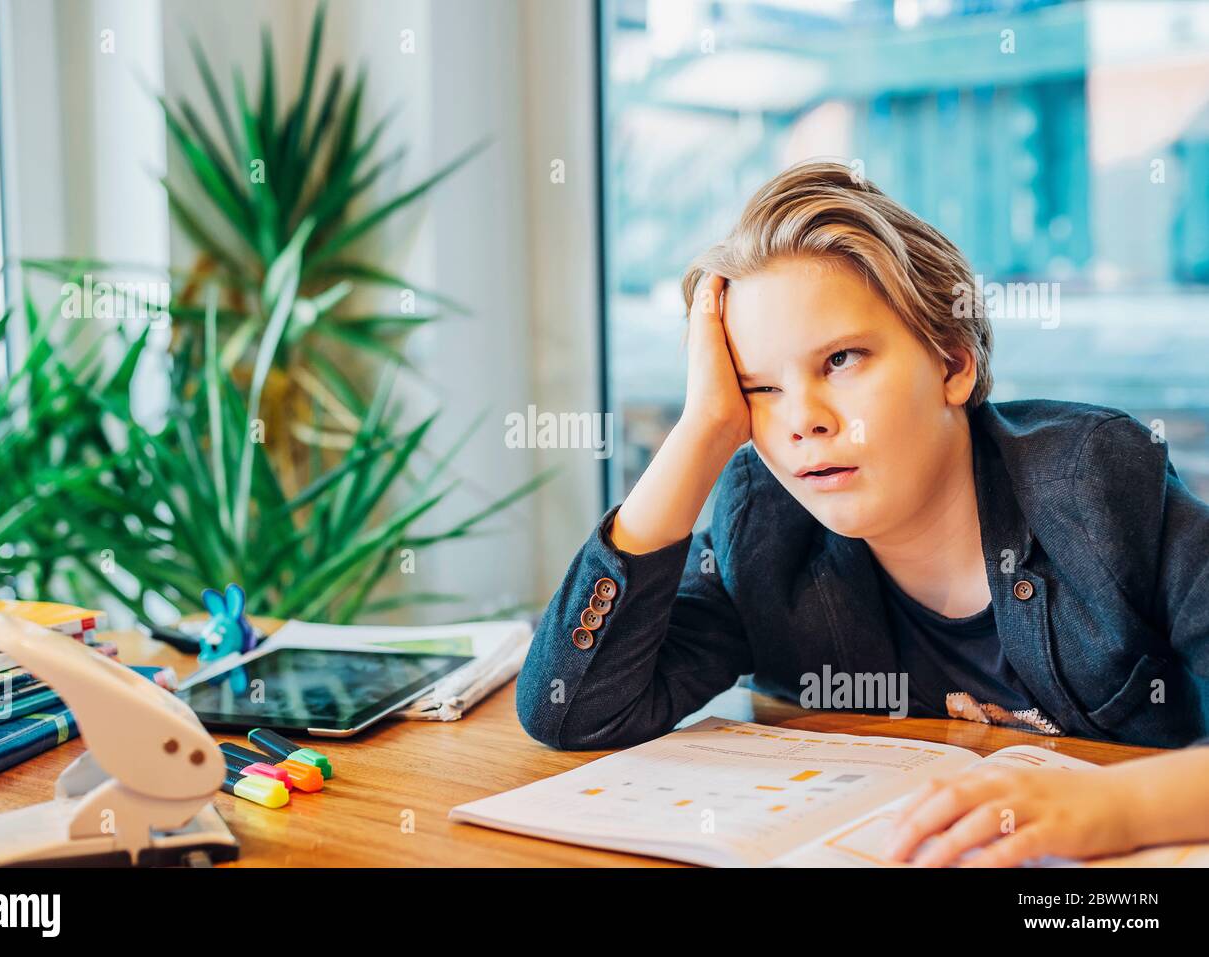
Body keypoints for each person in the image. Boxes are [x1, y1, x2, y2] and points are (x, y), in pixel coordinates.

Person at [516, 160, 1209, 867]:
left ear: (952, 362)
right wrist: (698, 435)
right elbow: (571, 709)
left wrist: (1118, 806)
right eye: (759, 388)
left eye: (841, 359)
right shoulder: (766, 531)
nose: (804, 421)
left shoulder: (1095, 484)